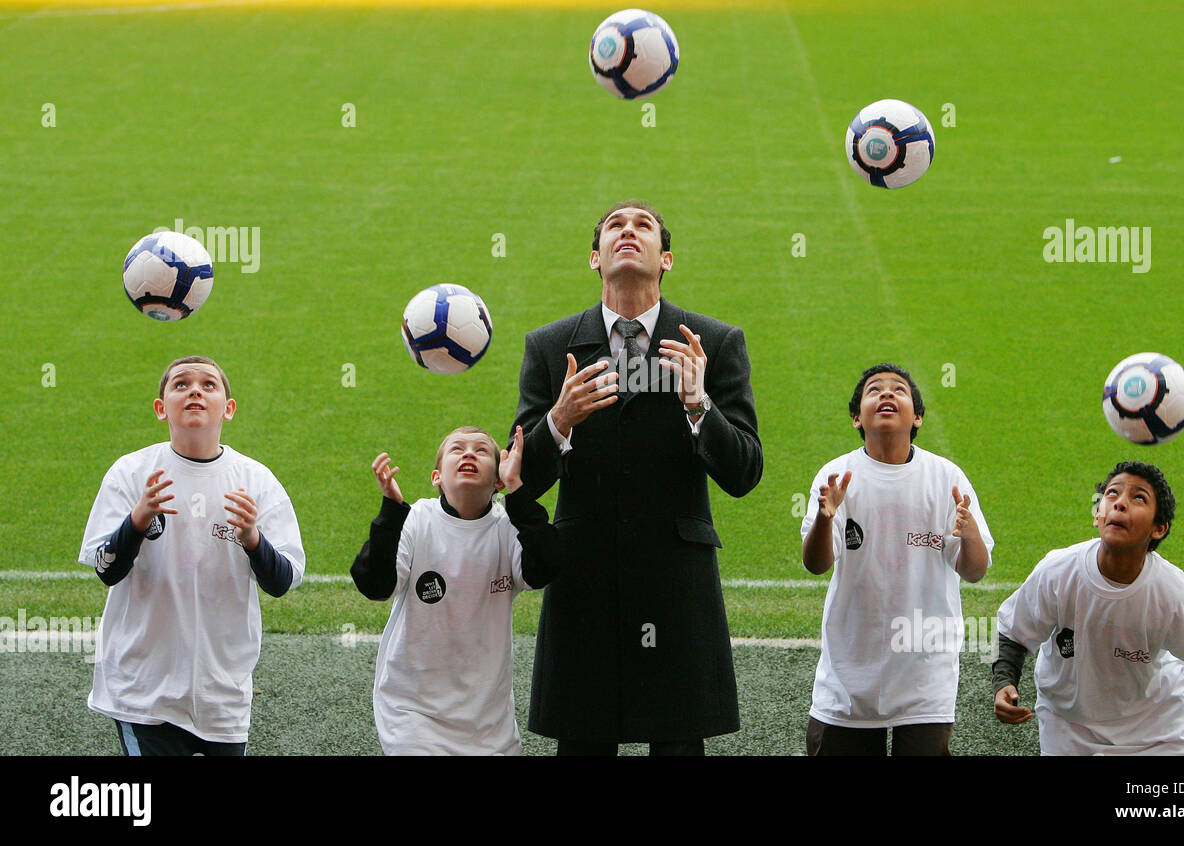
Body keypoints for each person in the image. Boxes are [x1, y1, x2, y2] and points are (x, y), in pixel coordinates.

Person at [510, 200, 763, 755]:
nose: (629, 232)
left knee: (677, 745)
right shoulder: (551, 347)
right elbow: (517, 481)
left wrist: (701, 407)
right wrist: (559, 421)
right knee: (583, 745)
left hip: (676, 586)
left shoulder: (714, 343)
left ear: (665, 258)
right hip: (583, 585)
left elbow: (745, 471)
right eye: (615, 227)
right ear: (594, 258)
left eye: (643, 225)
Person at [77, 356, 305, 756]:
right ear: (161, 407)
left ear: (228, 409)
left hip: (223, 694)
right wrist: (138, 518)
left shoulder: (257, 482)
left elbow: (282, 582)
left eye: (208, 385)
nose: (195, 390)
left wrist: (253, 538)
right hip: (142, 690)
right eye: (181, 384)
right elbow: (105, 569)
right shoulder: (131, 474)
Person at [993, 460, 1184, 755]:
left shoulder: (1172, 592)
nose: (1119, 504)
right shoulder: (1057, 571)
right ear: (1097, 515)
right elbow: (1013, 631)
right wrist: (1004, 681)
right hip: (1069, 728)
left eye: (1138, 497)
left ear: (1159, 528)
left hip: (1156, 734)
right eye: (1112, 494)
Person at [800, 362, 994, 756]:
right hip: (848, 677)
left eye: (898, 390)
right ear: (857, 417)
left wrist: (970, 531)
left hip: (925, 676)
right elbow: (816, 563)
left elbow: (975, 569)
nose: (886, 394)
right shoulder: (837, 476)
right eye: (874, 390)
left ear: (917, 416)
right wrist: (826, 518)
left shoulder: (945, 477)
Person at [350, 426, 560, 755]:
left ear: (498, 481)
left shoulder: (507, 526)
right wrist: (391, 509)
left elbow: (545, 568)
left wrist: (518, 491)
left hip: (489, 724)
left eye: (480, 450)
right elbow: (374, 585)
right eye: (457, 449)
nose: (468, 454)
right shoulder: (416, 519)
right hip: (414, 714)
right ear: (437, 477)